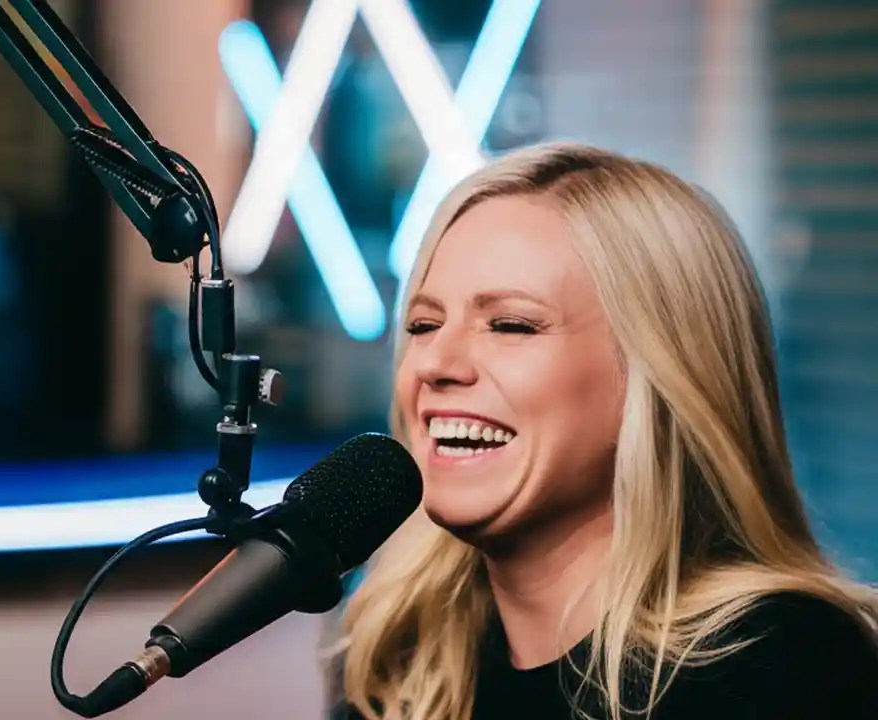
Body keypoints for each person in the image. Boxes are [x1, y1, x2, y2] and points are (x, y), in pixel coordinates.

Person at [331, 142, 878, 719]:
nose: (436, 363)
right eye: (423, 323)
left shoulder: (786, 665)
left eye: (511, 325)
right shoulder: (397, 660)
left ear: (662, 372)